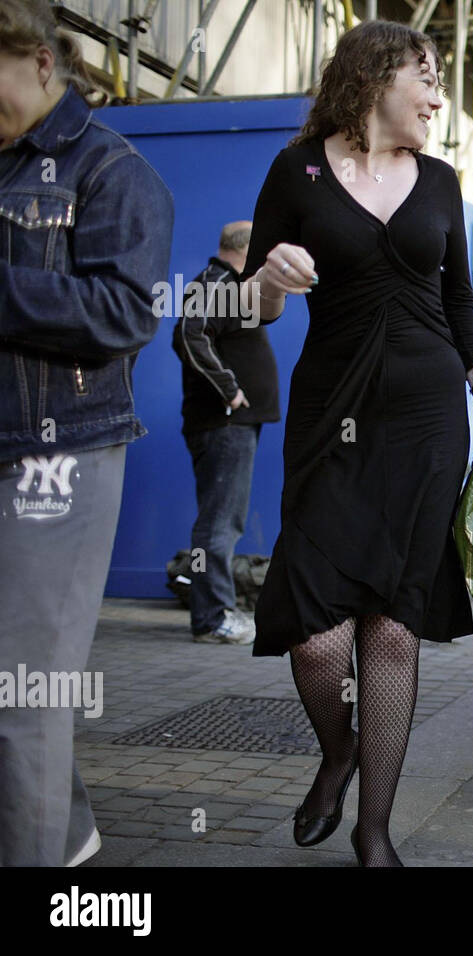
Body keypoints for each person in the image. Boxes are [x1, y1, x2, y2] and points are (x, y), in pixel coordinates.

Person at [239, 20, 473, 867]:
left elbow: (461, 299)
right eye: (426, 77)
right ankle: (338, 749)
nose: (439, 96)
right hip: (333, 413)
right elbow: (250, 308)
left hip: (430, 415)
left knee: (394, 629)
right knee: (318, 637)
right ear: (373, 79)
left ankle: (375, 831)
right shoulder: (300, 170)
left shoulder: (440, 178)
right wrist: (268, 279)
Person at [0, 0, 174, 865]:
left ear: (39, 61)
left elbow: (121, 314)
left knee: (23, 694)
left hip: (54, 455)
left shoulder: (110, 170)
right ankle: (63, 836)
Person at [173, 221, 280, 644]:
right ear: (249, 252)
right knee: (219, 525)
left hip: (234, 425)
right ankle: (213, 618)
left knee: (220, 522)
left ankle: (214, 613)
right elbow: (188, 335)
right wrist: (231, 390)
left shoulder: (229, 284)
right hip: (224, 424)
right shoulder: (215, 283)